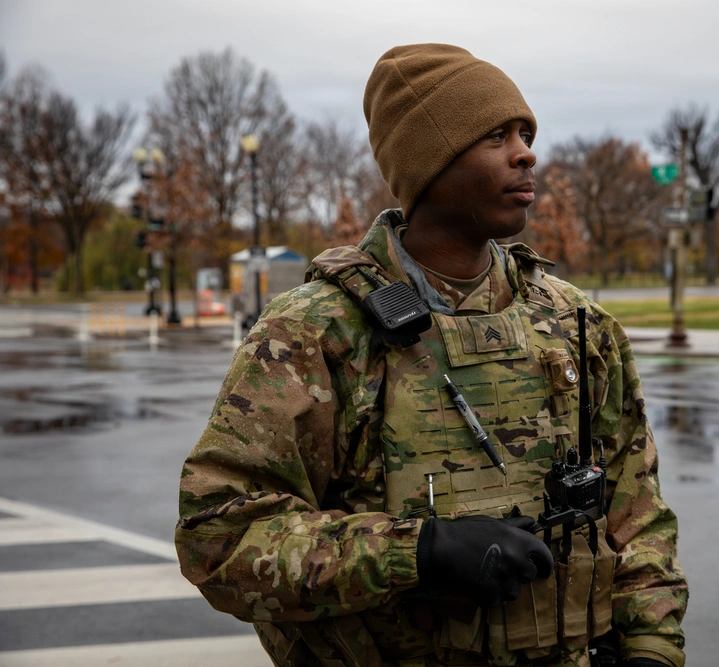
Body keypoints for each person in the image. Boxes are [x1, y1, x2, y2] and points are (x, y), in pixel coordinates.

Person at [175, 43, 688, 667]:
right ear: (426, 163)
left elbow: (637, 517)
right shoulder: (316, 333)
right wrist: (419, 550)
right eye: (495, 135)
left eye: (526, 132)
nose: (527, 152)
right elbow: (219, 536)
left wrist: (651, 651)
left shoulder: (576, 323)